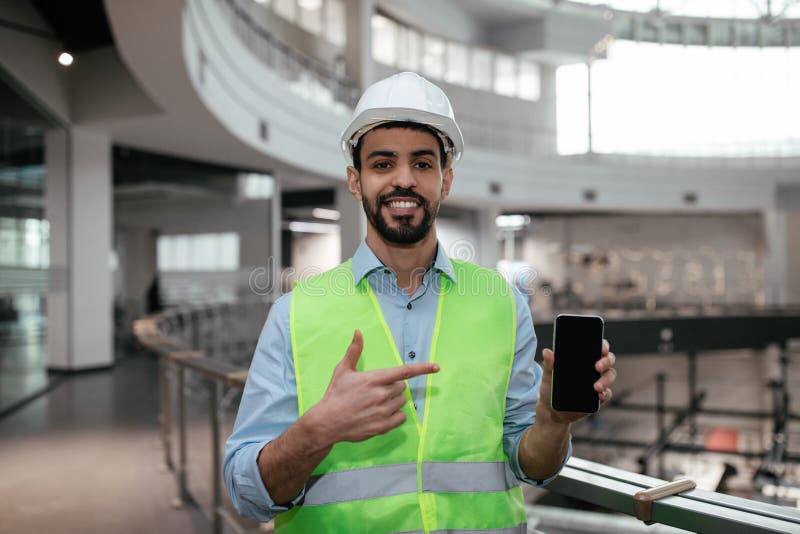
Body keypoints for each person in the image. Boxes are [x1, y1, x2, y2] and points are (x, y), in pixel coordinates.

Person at [224, 72, 617, 533]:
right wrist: (317, 431)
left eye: (423, 164)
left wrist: (552, 423)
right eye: (383, 163)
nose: (404, 180)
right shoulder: (294, 314)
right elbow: (247, 494)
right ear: (355, 181)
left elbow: (531, 466)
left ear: (445, 180)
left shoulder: (502, 305)